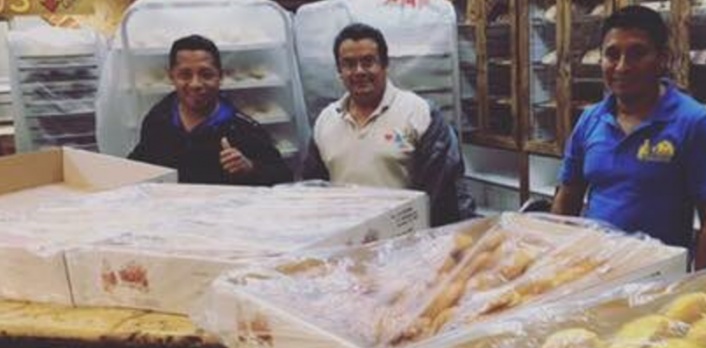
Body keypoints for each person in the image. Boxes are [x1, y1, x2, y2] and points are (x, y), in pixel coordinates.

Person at [551, 6, 706, 269]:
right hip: (593, 268)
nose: (622, 66)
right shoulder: (590, 120)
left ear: (663, 59)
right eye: (612, 54)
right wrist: (555, 263)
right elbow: (568, 196)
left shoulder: (694, 123)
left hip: (658, 275)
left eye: (637, 53)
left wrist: (700, 285)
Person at [302, 23, 474, 227]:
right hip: (346, 244)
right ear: (339, 70)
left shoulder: (418, 113)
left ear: (385, 64)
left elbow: (445, 196)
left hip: (406, 246)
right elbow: (314, 191)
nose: (359, 71)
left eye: (368, 62)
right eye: (348, 64)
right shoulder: (326, 121)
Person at [129, 35, 292, 186]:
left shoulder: (242, 129)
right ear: (172, 77)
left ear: (220, 77)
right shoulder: (158, 120)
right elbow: (139, 163)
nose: (195, 84)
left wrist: (251, 168)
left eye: (206, 74)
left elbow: (283, 176)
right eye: (185, 75)